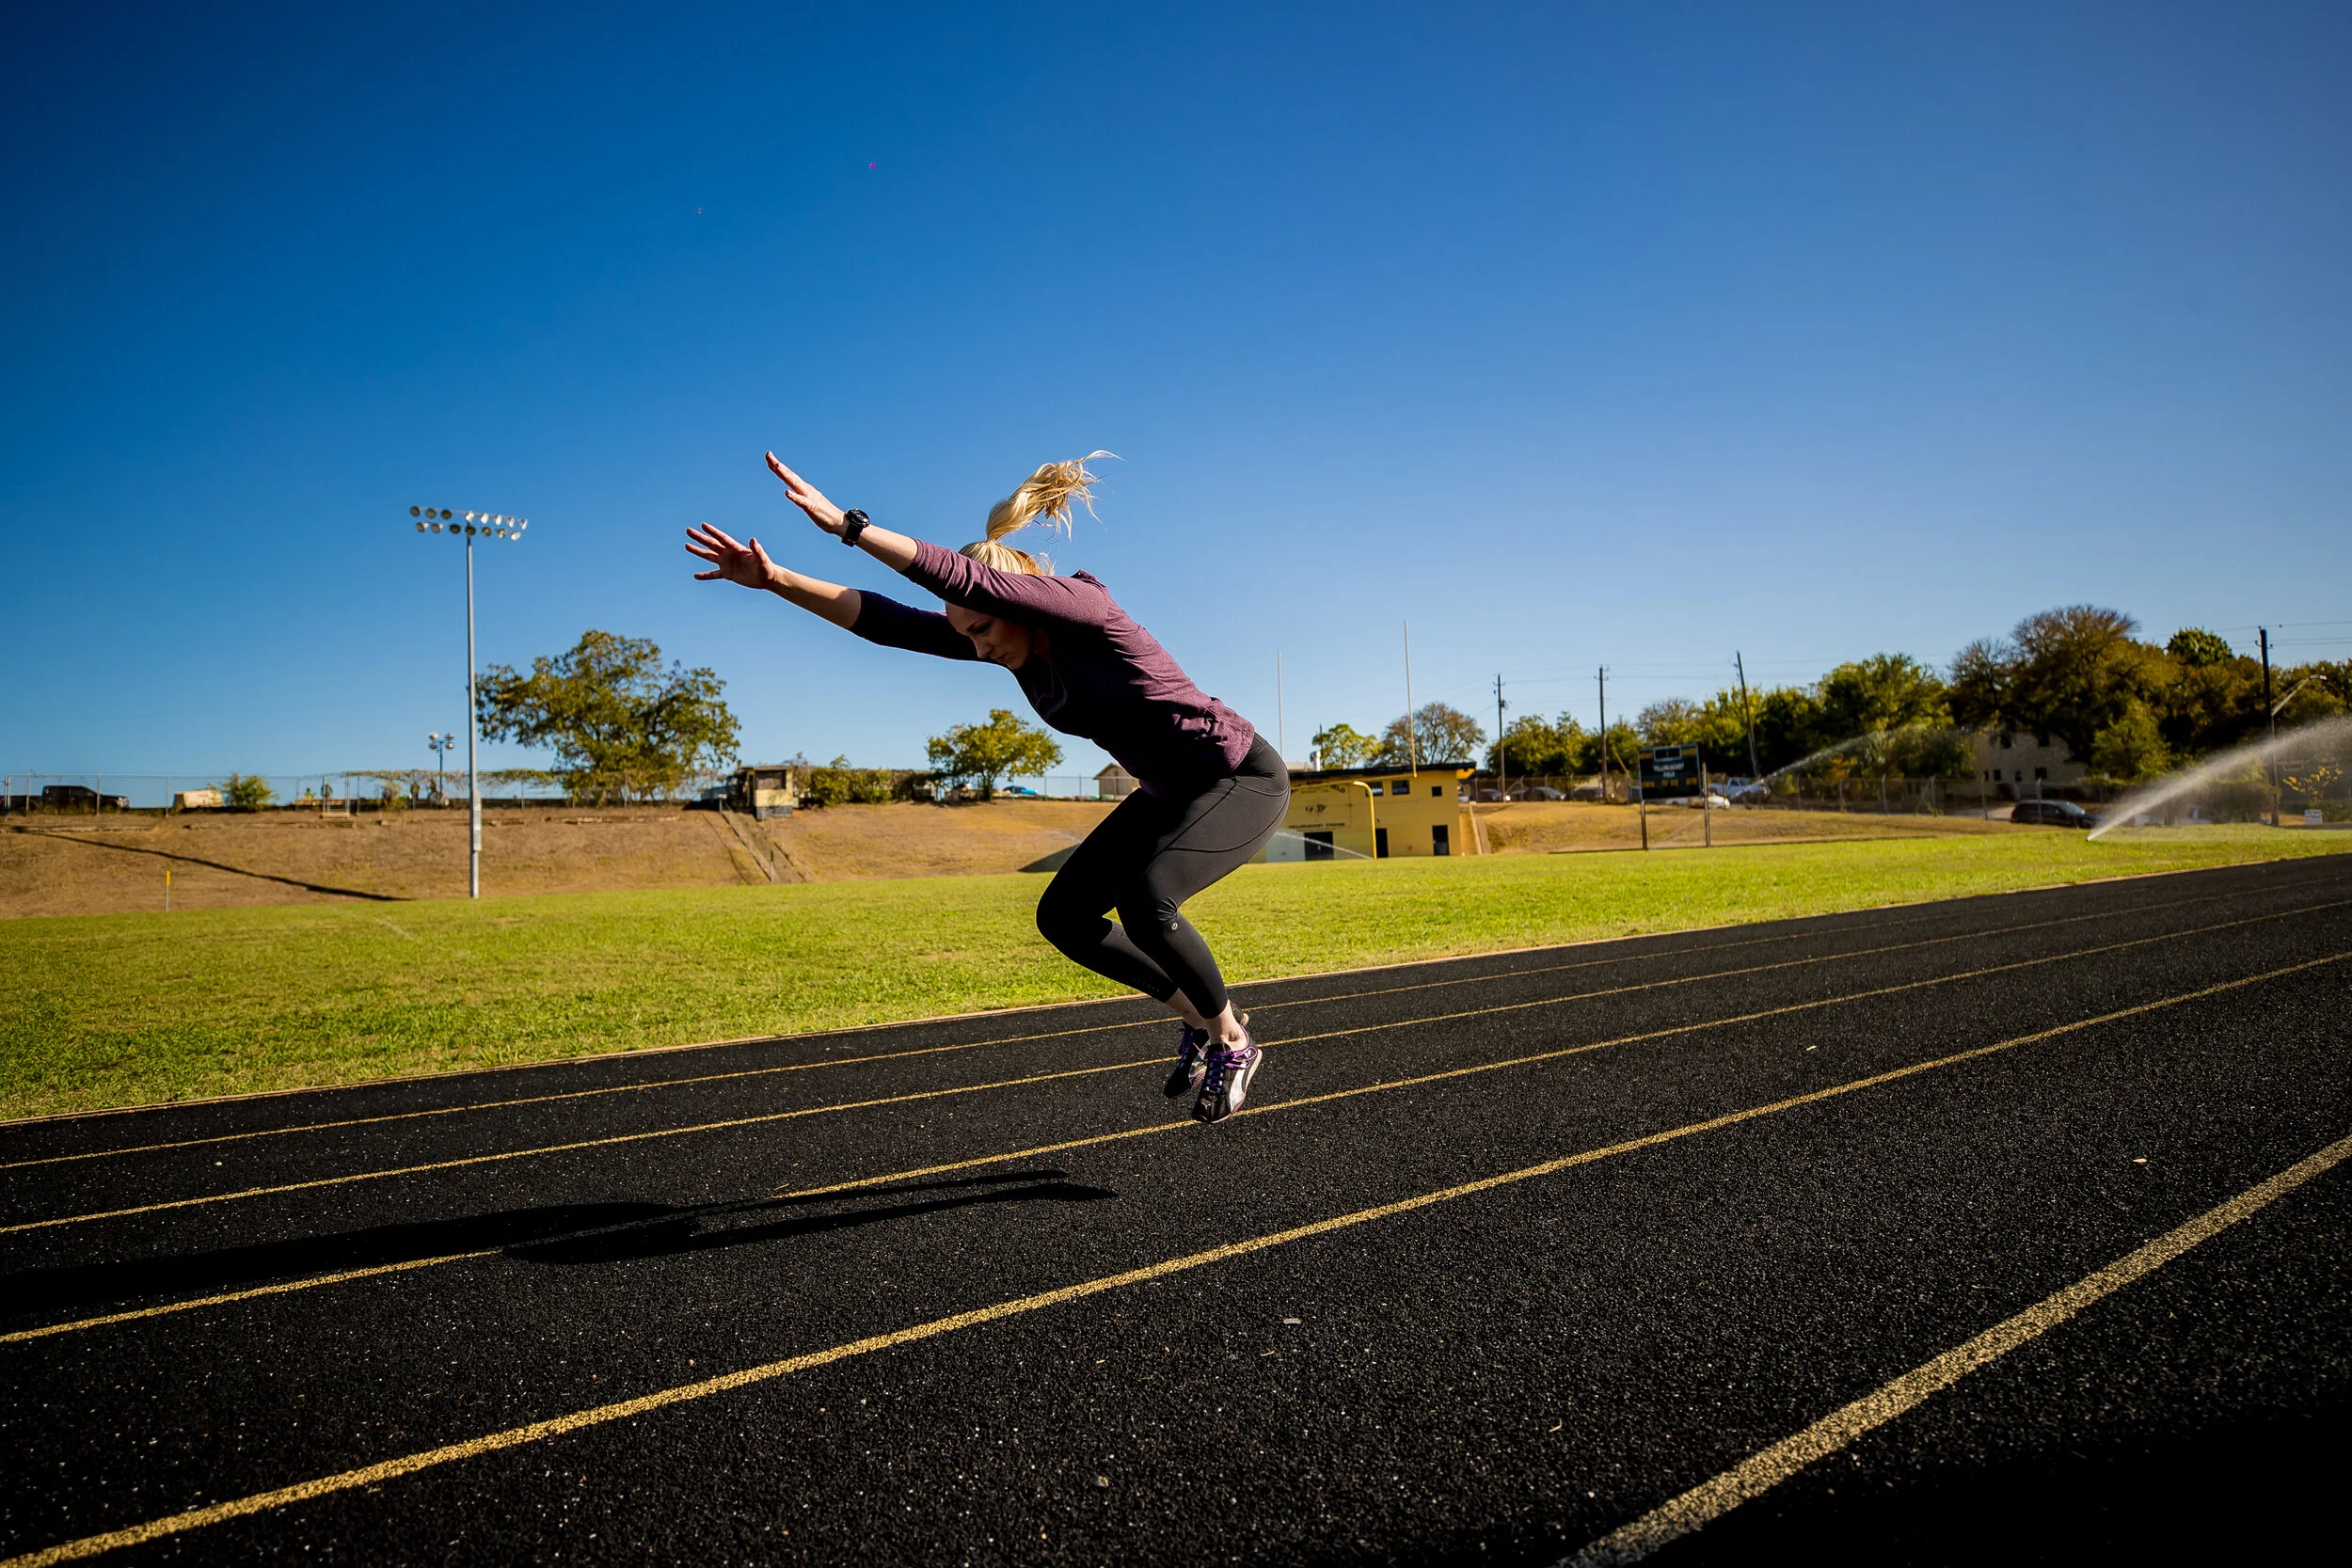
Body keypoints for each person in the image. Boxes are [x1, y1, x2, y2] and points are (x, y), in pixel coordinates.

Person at [685, 451, 1289, 1122]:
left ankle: (1232, 1038)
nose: (976, 648)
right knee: (1064, 916)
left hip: (1238, 776)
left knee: (1146, 899)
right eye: (964, 634)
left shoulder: (1087, 610)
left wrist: (852, 528)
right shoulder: (1008, 644)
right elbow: (887, 622)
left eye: (980, 627)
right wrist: (777, 580)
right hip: (1167, 791)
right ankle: (1202, 1023)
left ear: (1009, 604)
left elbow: (953, 575)